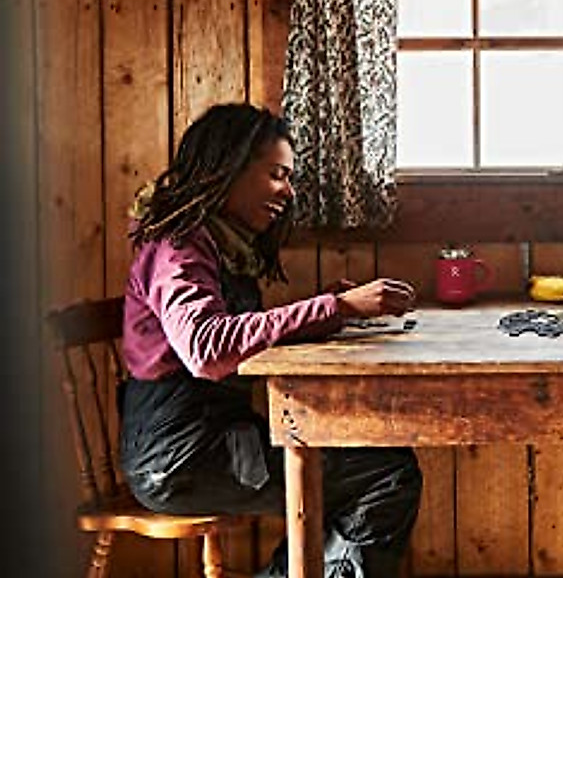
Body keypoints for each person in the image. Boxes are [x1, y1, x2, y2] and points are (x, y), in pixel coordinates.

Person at [120, 102, 423, 577]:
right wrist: (335, 308)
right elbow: (207, 349)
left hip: (206, 442)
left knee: (379, 465)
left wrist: (329, 307)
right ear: (230, 167)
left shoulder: (217, 241)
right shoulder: (179, 246)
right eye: (276, 174)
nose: (288, 191)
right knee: (385, 475)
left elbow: (239, 332)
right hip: (182, 458)